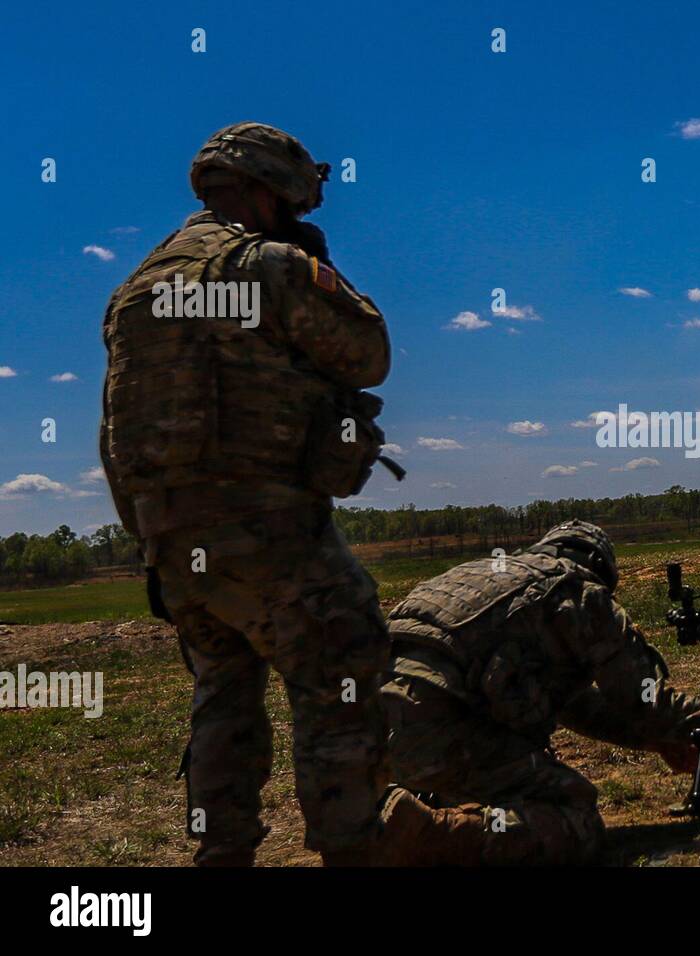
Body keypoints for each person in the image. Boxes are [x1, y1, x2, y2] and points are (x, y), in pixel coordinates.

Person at [99, 122, 393, 866]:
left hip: (175, 545)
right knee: (344, 676)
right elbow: (370, 355)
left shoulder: (133, 289)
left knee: (224, 701)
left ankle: (220, 854)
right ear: (268, 194)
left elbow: (113, 432)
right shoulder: (265, 265)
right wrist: (320, 268)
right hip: (270, 531)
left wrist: (149, 542)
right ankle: (351, 849)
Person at [377, 520, 700, 865]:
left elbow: (578, 707)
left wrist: (654, 739)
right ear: (599, 569)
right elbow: (643, 699)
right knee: (576, 817)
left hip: (376, 730)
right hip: (440, 728)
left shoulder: (481, 576)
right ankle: (431, 834)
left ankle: (380, 811)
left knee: (466, 780)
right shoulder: (578, 590)